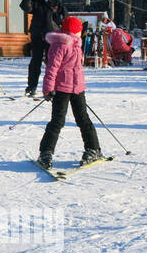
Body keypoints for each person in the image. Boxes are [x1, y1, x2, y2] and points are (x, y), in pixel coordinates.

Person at [37, 16, 103, 171]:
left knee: (83, 119)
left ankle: (93, 149)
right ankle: (45, 153)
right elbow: (51, 68)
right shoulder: (60, 45)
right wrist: (48, 88)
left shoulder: (76, 44)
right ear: (75, 31)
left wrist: (80, 85)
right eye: (80, 30)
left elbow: (77, 68)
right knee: (57, 121)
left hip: (78, 88)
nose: (82, 32)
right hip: (61, 89)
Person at [20, 0, 64, 98]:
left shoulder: (56, 2)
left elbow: (64, 17)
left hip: (53, 36)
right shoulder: (36, 1)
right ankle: (32, 86)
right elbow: (25, 7)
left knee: (52, 63)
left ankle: (54, 86)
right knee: (35, 62)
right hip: (37, 35)